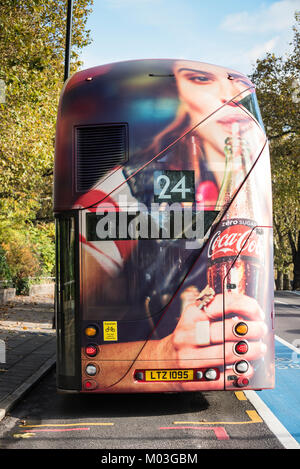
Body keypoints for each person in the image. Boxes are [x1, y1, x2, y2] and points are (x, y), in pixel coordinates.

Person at [79, 60, 269, 391]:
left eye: (235, 88)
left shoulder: (254, 193)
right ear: (180, 91)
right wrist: (162, 356)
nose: (228, 95)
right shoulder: (124, 191)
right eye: (200, 79)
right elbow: (78, 350)